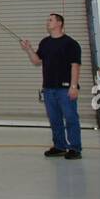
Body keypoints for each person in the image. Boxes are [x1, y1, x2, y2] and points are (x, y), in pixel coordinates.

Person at [20, 13, 83, 159]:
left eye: (50, 20)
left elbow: (75, 65)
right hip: (49, 88)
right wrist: (29, 49)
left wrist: (73, 86)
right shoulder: (45, 43)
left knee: (70, 118)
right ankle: (60, 146)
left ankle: (75, 148)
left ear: (59, 23)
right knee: (54, 119)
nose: (47, 22)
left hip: (65, 88)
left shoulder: (70, 44)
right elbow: (37, 60)